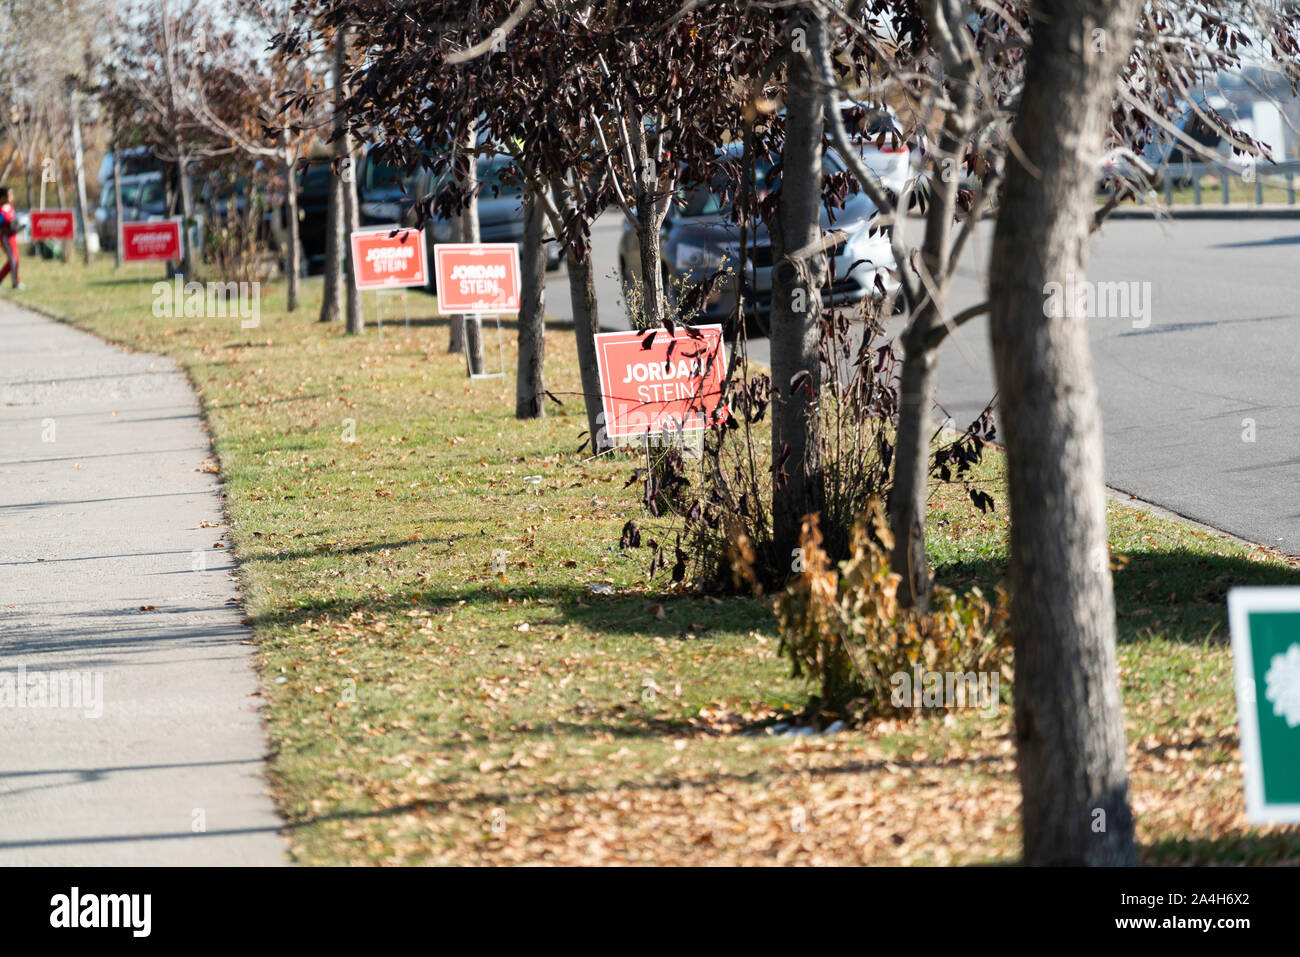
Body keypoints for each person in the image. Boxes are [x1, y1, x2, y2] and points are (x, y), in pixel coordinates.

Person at [0, 186, 21, 289]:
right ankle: (15, 283)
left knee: (14, 260)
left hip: (13, 237)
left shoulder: (11, 208)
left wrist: (18, 228)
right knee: (13, 260)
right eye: (10, 194)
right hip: (6, 238)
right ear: (3, 198)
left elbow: (13, 223)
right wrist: (8, 231)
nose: (12, 196)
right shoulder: (2, 211)